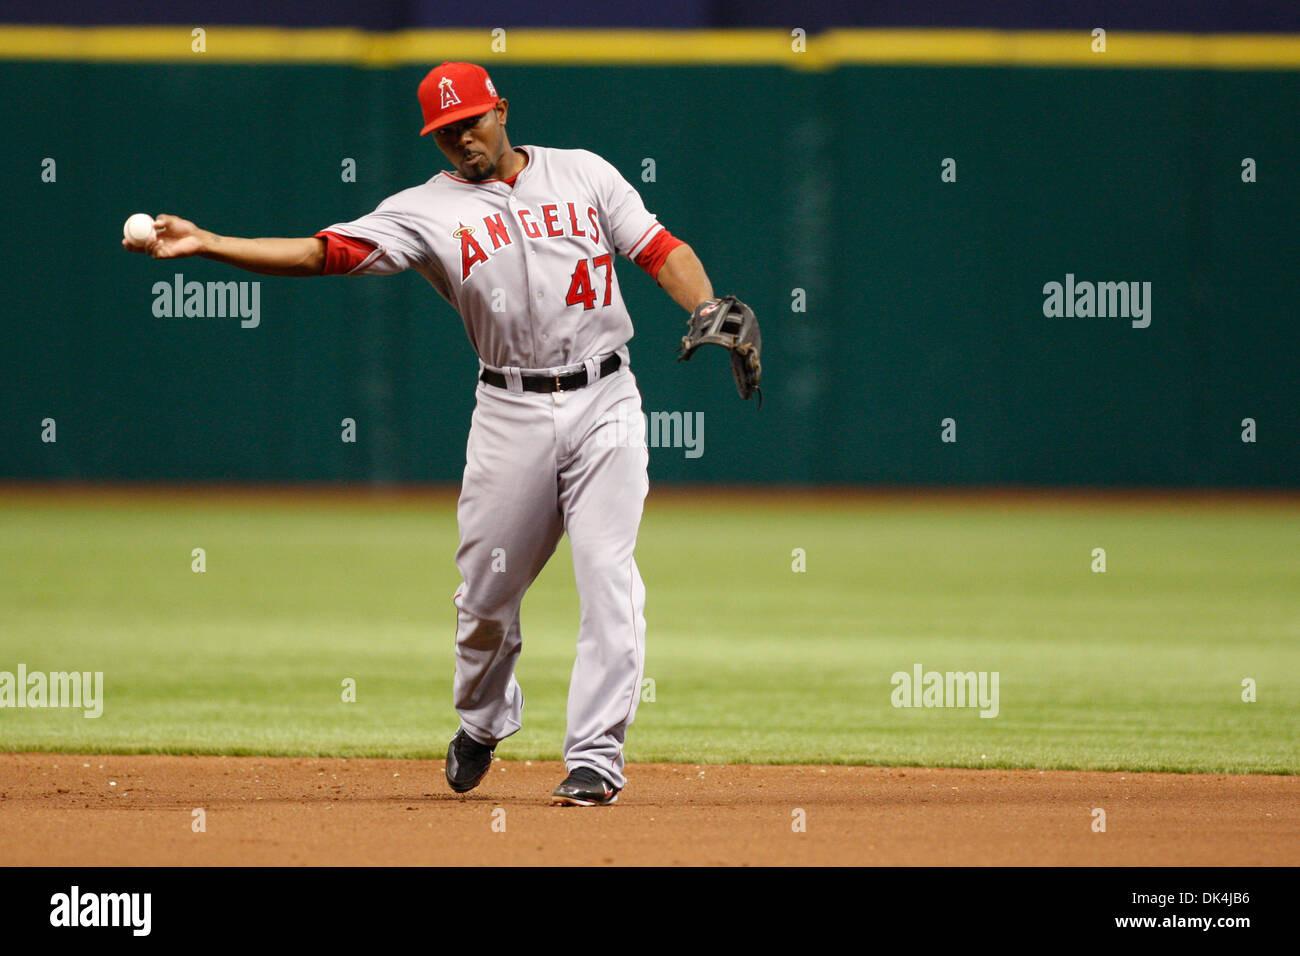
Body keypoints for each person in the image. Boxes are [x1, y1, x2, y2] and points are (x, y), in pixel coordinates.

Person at [124, 61, 719, 806]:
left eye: (470, 119)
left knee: (608, 578)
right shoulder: (423, 209)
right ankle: (482, 720)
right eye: (443, 130)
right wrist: (210, 243)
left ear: (501, 110)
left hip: (607, 401)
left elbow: (661, 249)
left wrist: (706, 305)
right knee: (485, 601)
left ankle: (596, 757)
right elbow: (322, 253)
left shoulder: (585, 174)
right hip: (511, 413)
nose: (460, 137)